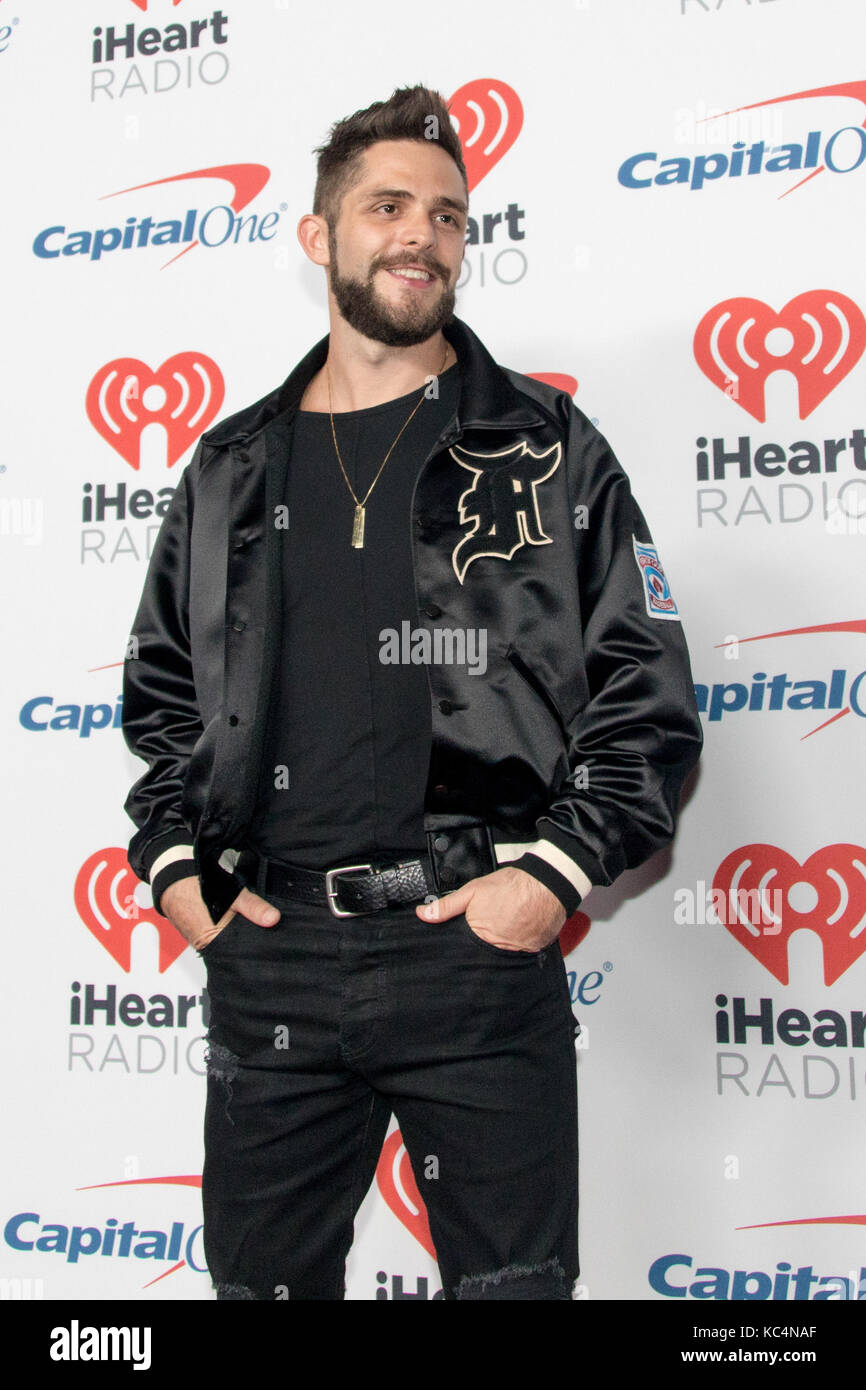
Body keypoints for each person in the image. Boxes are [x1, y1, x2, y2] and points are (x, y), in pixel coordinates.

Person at [122, 84, 702, 1302]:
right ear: (318, 234)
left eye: (446, 215)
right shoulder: (231, 464)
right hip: (269, 956)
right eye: (387, 206)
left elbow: (644, 692)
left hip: (473, 956)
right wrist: (178, 871)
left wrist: (549, 878)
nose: (421, 236)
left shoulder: (544, 444)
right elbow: (165, 695)